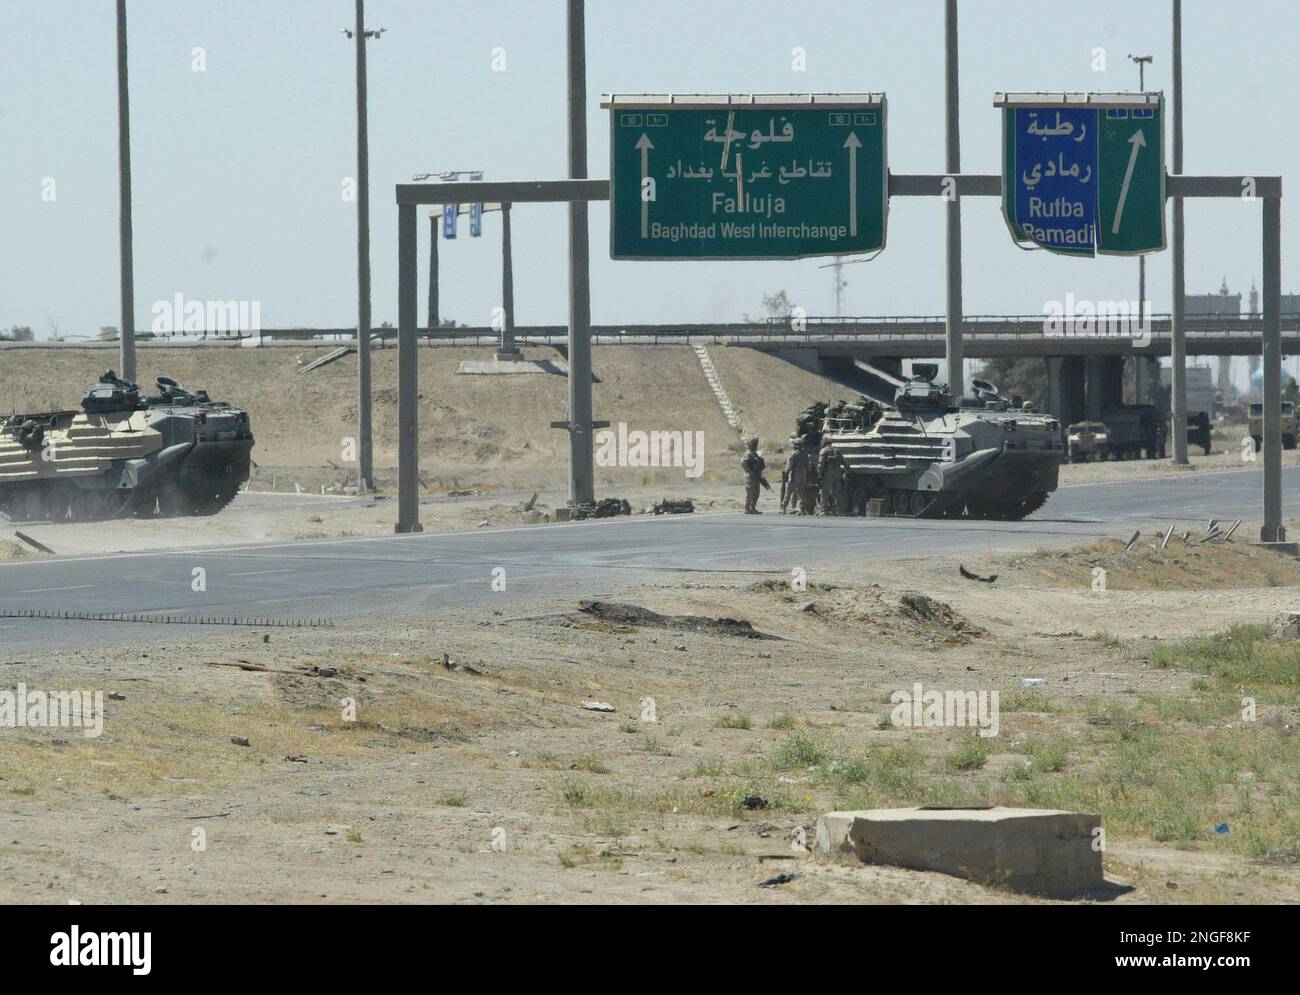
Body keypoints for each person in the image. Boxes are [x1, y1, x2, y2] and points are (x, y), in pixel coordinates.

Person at [781, 438, 808, 514]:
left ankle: (784, 507)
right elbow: (807, 466)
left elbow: (789, 466)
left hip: (794, 474)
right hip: (803, 474)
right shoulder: (805, 454)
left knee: (789, 491)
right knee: (801, 492)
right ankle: (801, 508)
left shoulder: (793, 454)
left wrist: (786, 473)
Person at [741, 437, 766, 514]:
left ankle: (753, 507)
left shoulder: (755, 453)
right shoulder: (748, 454)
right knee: (750, 493)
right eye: (754, 444)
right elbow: (743, 463)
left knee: (756, 493)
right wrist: (749, 471)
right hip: (750, 477)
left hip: (756, 476)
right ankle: (747, 508)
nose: (755, 445)